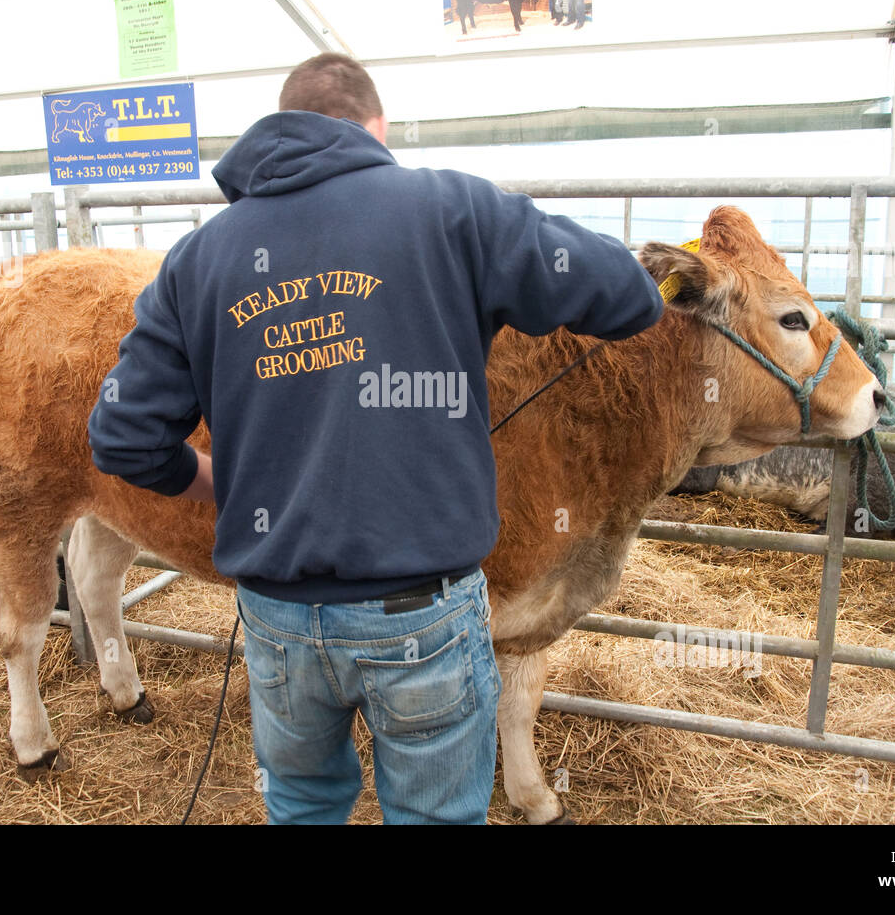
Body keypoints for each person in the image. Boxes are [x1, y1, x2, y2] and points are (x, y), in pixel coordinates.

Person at [86, 53, 663, 824]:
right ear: (376, 128)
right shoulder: (450, 209)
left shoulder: (200, 258)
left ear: (279, 126)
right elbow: (628, 294)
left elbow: (121, 436)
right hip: (420, 614)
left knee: (300, 807)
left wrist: (220, 483)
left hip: (280, 617)